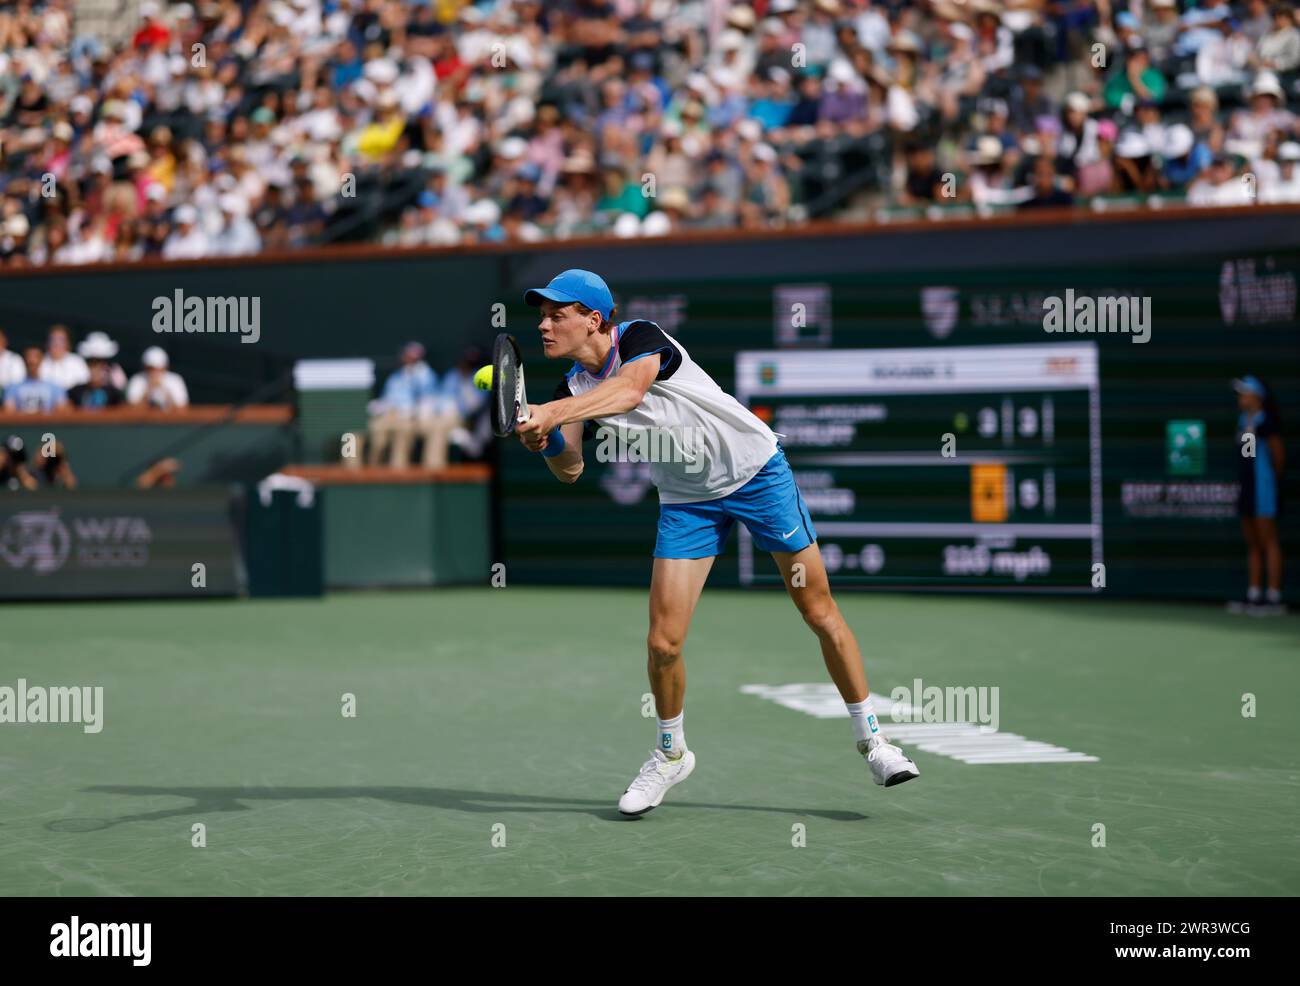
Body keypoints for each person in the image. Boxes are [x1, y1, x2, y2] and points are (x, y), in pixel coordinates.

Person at [515, 269, 919, 816]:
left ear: (594, 319)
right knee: (663, 644)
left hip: (757, 475)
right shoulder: (571, 389)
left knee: (818, 609)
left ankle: (875, 741)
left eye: (555, 314)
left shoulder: (641, 338)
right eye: (541, 315)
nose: (543, 325)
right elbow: (572, 469)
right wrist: (545, 439)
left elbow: (631, 390)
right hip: (686, 501)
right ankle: (670, 753)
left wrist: (552, 413)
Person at [1233, 376, 1286, 612]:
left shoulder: (1267, 422)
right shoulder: (1244, 420)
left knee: (1269, 541)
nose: (1240, 397)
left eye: (1244, 393)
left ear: (1257, 397)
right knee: (1253, 542)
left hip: (1263, 489)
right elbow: (1246, 455)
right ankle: (1254, 594)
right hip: (1247, 488)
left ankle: (1273, 597)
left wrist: (1268, 480)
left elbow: (1278, 457)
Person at [364, 342, 437, 468]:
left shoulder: (426, 375)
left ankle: (398, 472)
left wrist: (414, 412)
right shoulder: (396, 377)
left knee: (403, 435)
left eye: (414, 356)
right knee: (375, 434)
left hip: (409, 417)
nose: (409, 358)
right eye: (408, 355)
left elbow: (427, 401)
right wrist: (379, 406)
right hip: (389, 414)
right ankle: (372, 468)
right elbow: (386, 398)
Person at [67, 334, 126, 410]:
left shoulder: (115, 394)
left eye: (101, 363)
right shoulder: (75, 392)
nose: (96, 369)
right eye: (91, 363)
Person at [5, 346, 68, 413]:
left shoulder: (55, 387)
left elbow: (61, 412)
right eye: (28, 357)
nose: (32, 360)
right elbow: (9, 413)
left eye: (36, 357)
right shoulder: (13, 388)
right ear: (24, 361)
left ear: (41, 360)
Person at [39, 324, 89, 392]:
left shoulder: (77, 362)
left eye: (60, 340)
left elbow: (83, 385)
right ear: (47, 343)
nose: (56, 343)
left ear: (67, 343)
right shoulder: (39, 361)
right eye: (53, 340)